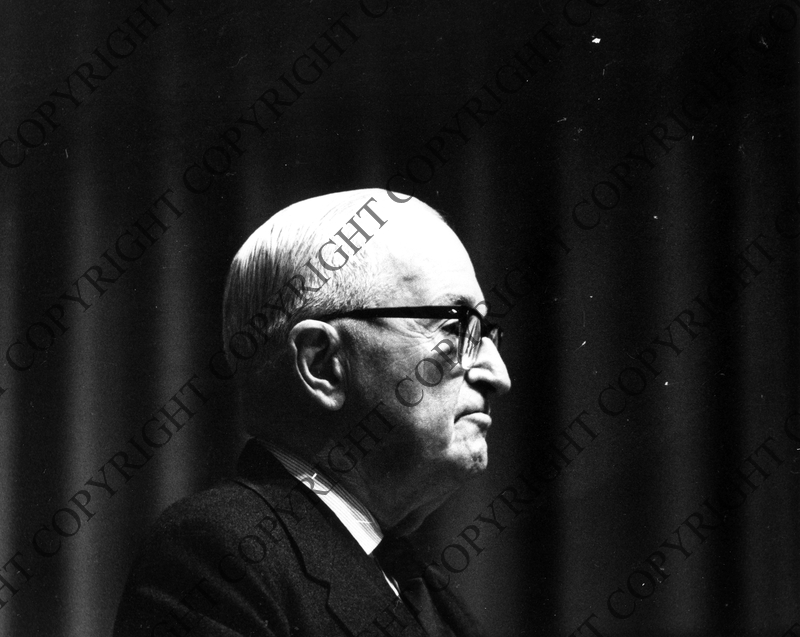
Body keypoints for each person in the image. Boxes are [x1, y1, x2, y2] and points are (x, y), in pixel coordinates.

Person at [113, 188, 511, 637]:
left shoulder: (431, 594)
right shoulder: (218, 555)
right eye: (456, 327)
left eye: (486, 332)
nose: (498, 374)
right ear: (322, 364)